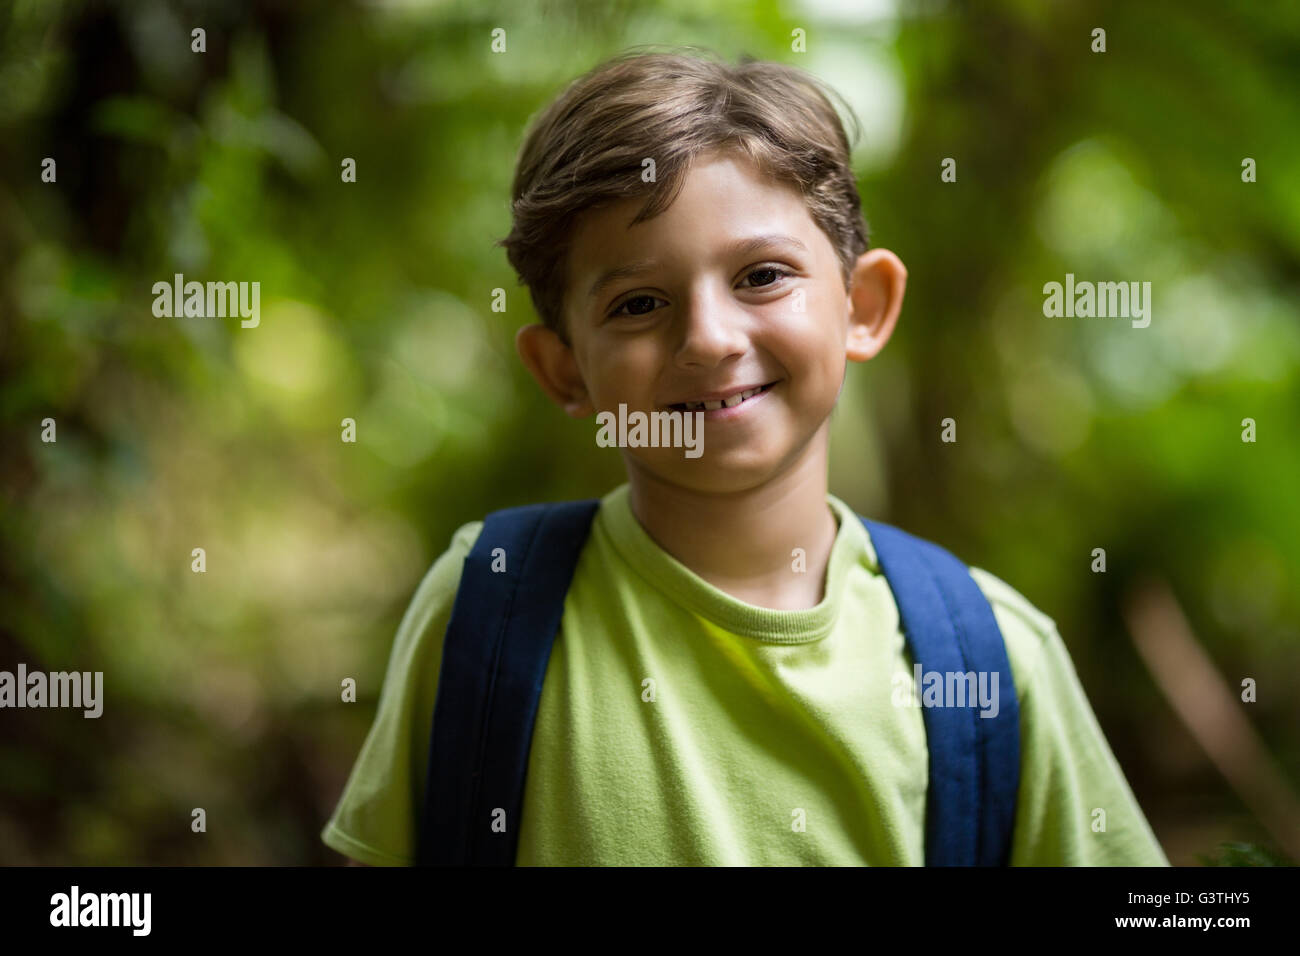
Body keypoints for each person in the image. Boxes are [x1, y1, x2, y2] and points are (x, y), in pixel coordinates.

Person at [321, 47, 1169, 866]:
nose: (709, 340)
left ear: (862, 306)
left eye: (763, 276)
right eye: (638, 302)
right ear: (564, 368)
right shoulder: (486, 602)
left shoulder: (991, 656)